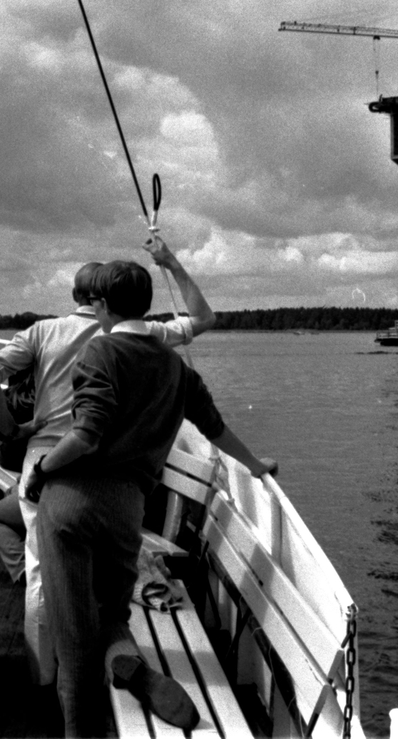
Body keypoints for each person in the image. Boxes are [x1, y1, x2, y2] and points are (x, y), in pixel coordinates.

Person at [25, 260, 276, 737]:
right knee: (113, 615)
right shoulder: (176, 368)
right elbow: (216, 429)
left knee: (74, 641)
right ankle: (129, 667)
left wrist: (41, 469)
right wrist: (257, 466)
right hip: (127, 509)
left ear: (100, 305)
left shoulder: (101, 352)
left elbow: (85, 435)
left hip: (71, 506)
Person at [0, 236, 215, 685]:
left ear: (78, 297)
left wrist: (11, 430)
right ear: (105, 298)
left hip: (50, 462)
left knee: (41, 572)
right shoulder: (141, 332)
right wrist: (171, 264)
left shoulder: (44, 332)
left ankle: (43, 676)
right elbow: (203, 319)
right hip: (116, 475)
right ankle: (107, 661)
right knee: (106, 592)